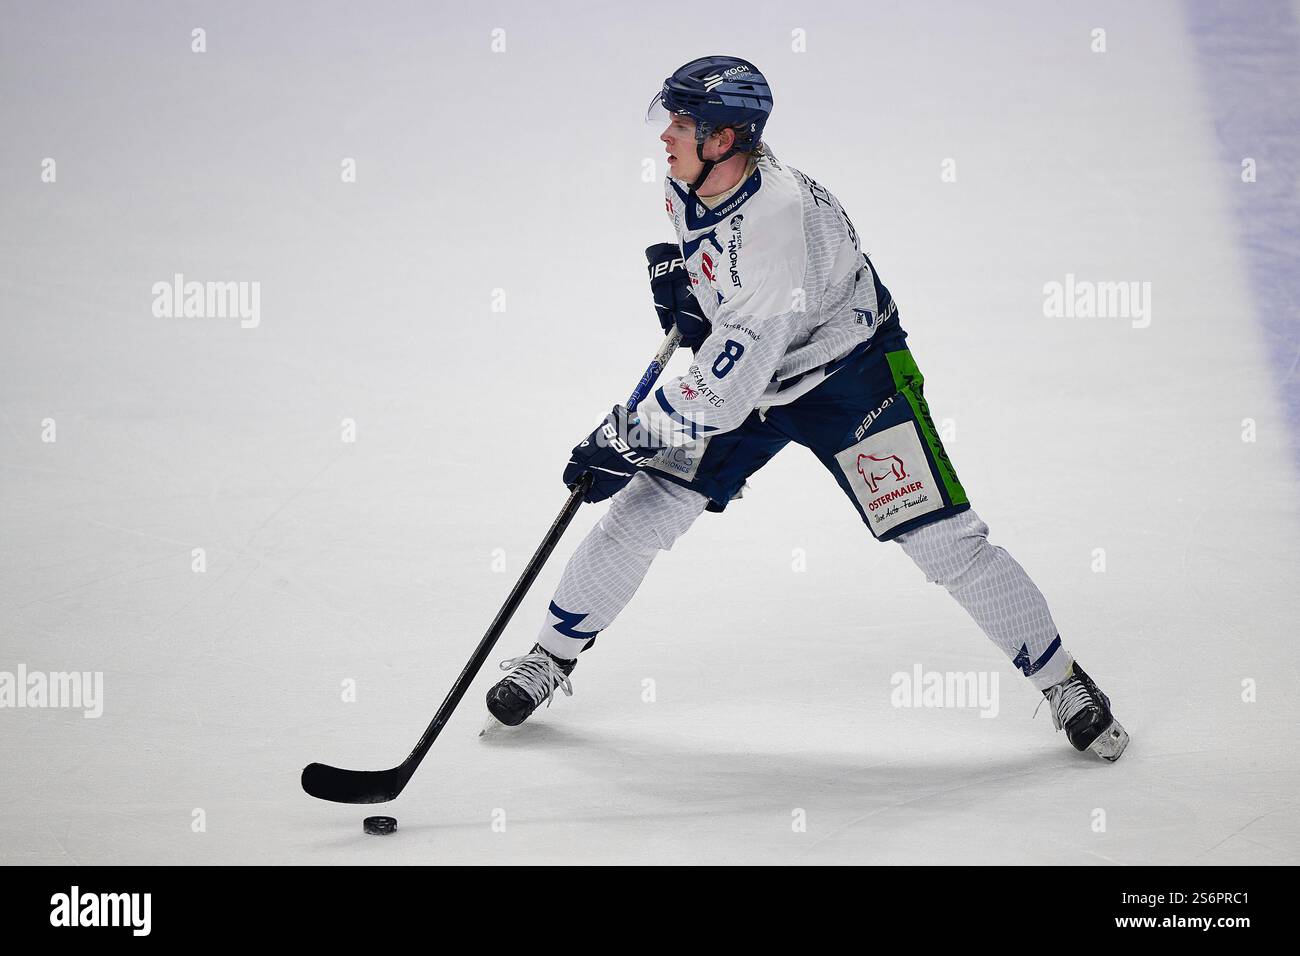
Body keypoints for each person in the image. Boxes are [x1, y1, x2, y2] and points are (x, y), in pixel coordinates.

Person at [485, 55, 1129, 762]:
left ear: (725, 139)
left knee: (947, 542)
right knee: (640, 515)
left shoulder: (776, 224)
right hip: (755, 368)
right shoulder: (692, 180)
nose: (665, 135)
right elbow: (727, 307)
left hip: (849, 378)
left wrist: (628, 438)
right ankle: (550, 657)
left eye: (681, 122)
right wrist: (690, 291)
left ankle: (1062, 681)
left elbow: (726, 389)